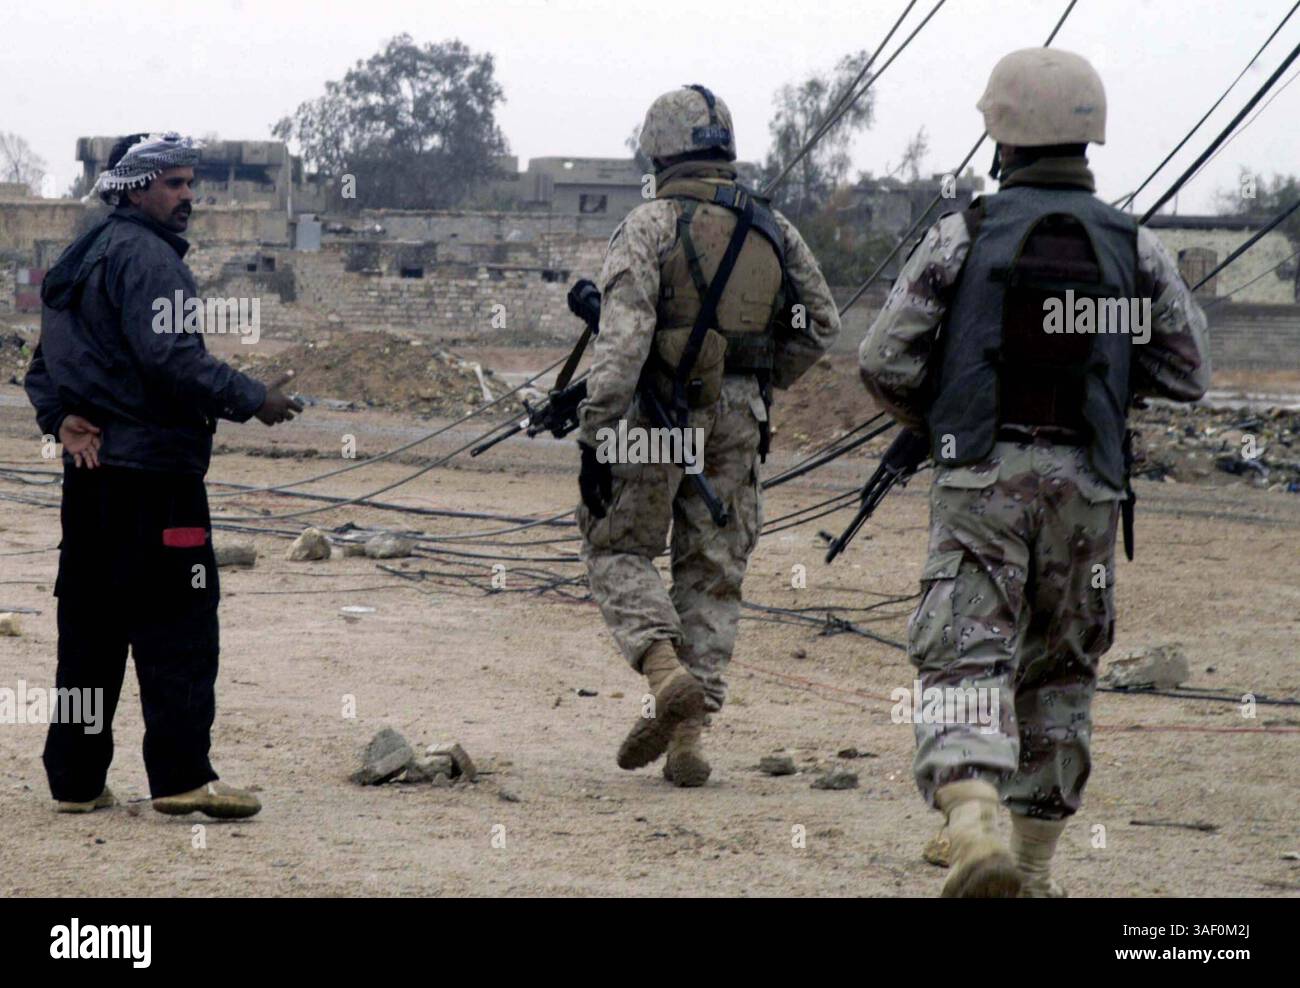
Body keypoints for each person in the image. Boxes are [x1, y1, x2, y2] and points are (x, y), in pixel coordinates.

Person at [858, 50, 1211, 896]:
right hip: (1088, 488)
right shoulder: (1136, 246)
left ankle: (974, 819)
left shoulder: (966, 233)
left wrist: (945, 415)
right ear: (1090, 134)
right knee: (1060, 672)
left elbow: (882, 359)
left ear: (1001, 133)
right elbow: (1186, 370)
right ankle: (1034, 868)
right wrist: (1105, 385)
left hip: (981, 478)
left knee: (964, 655)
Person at [24, 132, 301, 818]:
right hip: (156, 483)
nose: (188, 198)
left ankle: (77, 782)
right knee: (178, 625)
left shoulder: (78, 258)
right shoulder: (148, 259)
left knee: (89, 629)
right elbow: (172, 361)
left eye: (190, 184)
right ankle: (181, 779)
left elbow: (40, 371)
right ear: (133, 186)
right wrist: (252, 398)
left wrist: (61, 419)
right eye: (173, 184)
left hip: (90, 485)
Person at [576, 86, 839, 786]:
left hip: (662, 418)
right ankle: (691, 733)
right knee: (713, 570)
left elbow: (623, 344)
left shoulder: (649, 225)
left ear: (659, 152)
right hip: (740, 422)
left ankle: (665, 675)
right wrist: (759, 381)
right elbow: (822, 322)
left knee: (616, 544)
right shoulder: (774, 228)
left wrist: (596, 435)